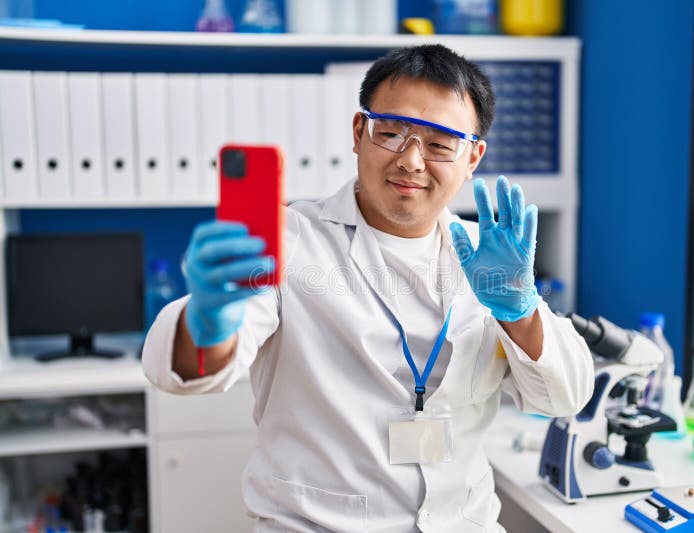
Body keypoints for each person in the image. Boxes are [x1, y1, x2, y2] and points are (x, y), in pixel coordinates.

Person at [143, 44, 593, 532]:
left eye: (441, 144)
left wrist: (520, 310)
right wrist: (206, 321)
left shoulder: (491, 255)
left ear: (472, 157)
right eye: (393, 133)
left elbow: (565, 397)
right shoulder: (288, 239)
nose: (412, 161)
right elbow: (184, 372)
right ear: (360, 133)